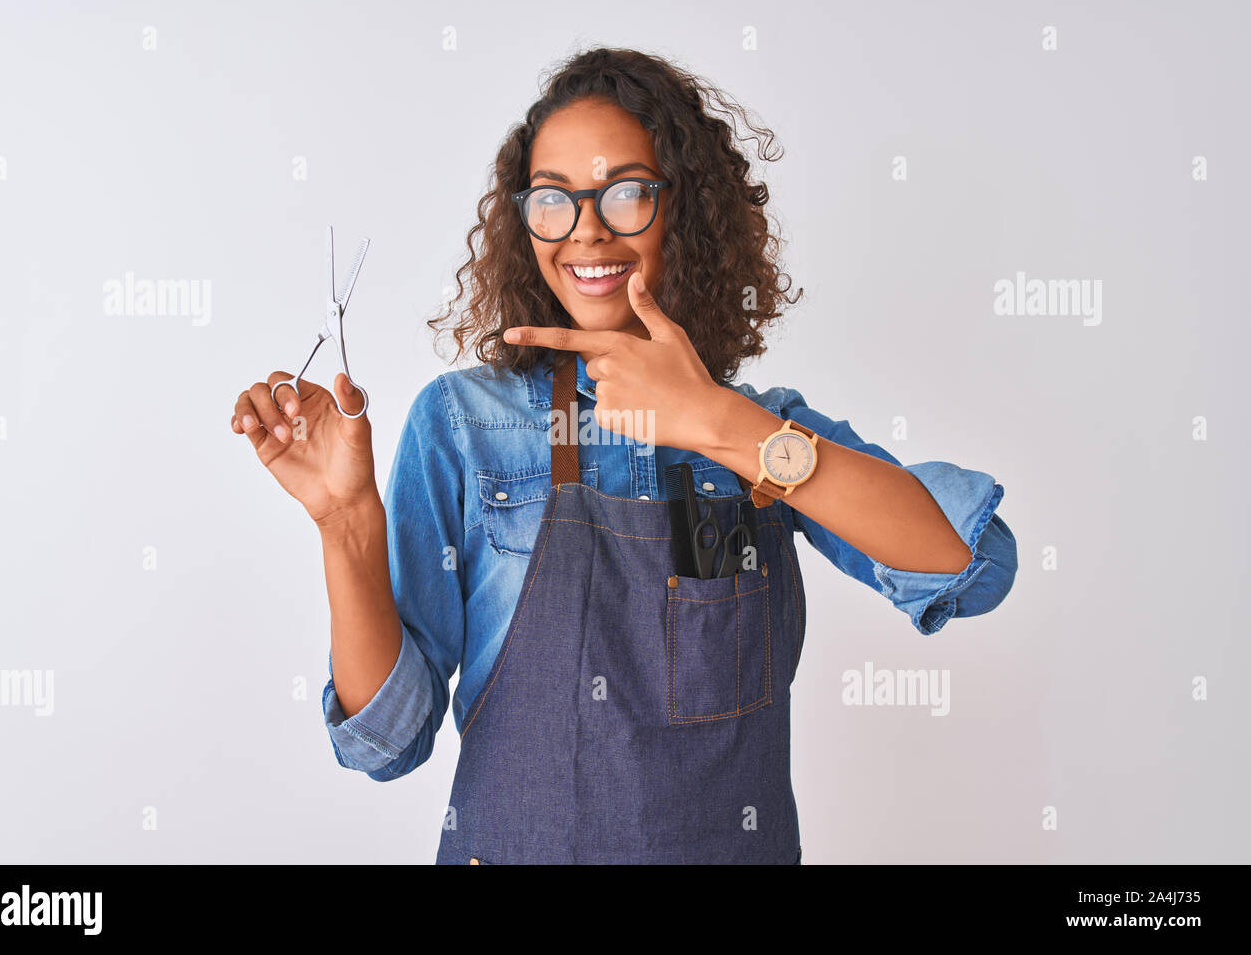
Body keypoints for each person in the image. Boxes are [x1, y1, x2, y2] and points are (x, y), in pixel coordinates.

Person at [230, 47, 1017, 864]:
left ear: (687, 208)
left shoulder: (767, 432)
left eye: (626, 192)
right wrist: (346, 518)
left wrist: (723, 423)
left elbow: (975, 563)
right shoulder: (465, 424)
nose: (588, 230)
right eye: (554, 200)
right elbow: (385, 744)